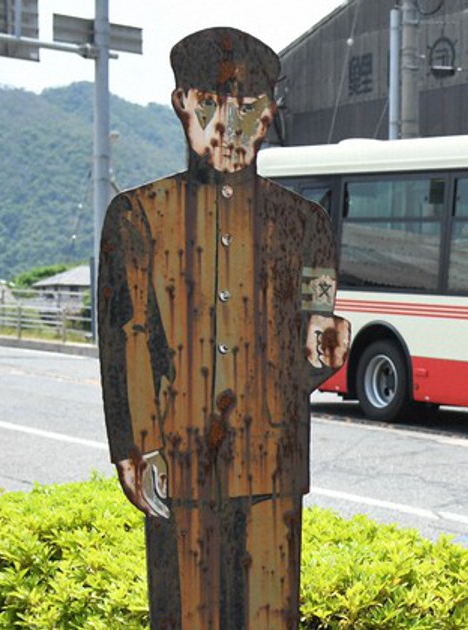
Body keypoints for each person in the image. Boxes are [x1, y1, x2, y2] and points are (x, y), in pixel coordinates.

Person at [97, 27, 350, 629]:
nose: (227, 128)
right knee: (186, 618)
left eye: (247, 109)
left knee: (269, 618)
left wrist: (325, 351)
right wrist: (133, 447)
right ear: (181, 104)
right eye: (209, 106)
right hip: (178, 457)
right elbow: (124, 336)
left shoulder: (308, 224)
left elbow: (312, 338)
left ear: (271, 115)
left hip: (274, 459)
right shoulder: (136, 216)